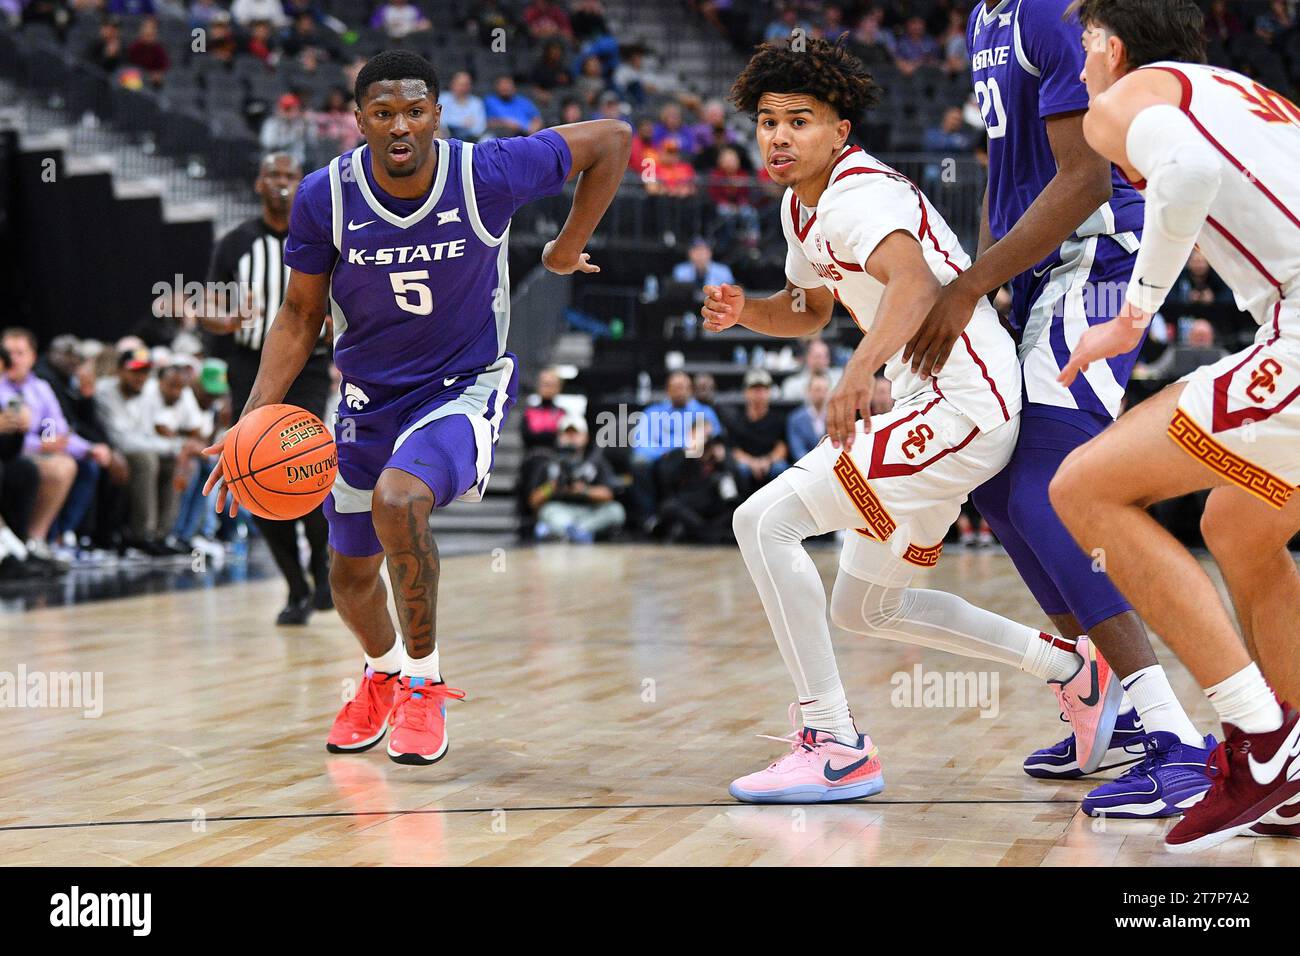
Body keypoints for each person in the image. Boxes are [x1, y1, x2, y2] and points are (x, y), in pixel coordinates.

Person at [709, 38, 1108, 806]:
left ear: (840, 130)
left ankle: (834, 743)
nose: (780, 136)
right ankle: (1074, 672)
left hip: (963, 407)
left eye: (801, 120)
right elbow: (810, 309)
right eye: (767, 122)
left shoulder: (861, 196)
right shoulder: (802, 206)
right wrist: (748, 313)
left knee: (765, 522)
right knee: (868, 605)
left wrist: (859, 372)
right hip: (938, 407)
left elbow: (917, 284)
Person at [203, 50, 629, 766]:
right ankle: (384, 672)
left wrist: (565, 247)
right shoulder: (322, 197)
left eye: (414, 110)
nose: (400, 125)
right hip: (368, 399)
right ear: (359, 119)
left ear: (436, 113)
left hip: (465, 385)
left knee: (399, 503)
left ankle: (426, 686)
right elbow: (299, 314)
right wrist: (251, 417)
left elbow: (611, 139)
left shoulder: (484, 171)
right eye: (382, 112)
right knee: (348, 575)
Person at [902, 0, 1210, 814]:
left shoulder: (1048, 11)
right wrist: (986, 276)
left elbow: (1084, 180)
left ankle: (1175, 736)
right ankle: (1107, 704)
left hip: (1101, 256)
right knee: (997, 484)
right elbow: (1006, 172)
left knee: (1044, 483)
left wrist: (970, 284)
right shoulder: (984, 16)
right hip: (1035, 267)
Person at [1050, 0, 1300, 851]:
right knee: (1238, 524)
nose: (1079, 62)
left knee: (1082, 488)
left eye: (1085, 45)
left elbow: (1186, 174)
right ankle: (1294, 755)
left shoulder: (1122, 102)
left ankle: (1259, 742)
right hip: (1286, 322)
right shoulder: (1242, 89)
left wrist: (1131, 317)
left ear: (1113, 48)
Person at [200, 152, 334, 625]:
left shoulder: (321, 234)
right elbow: (206, 310)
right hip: (248, 365)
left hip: (311, 368)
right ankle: (296, 586)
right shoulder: (234, 243)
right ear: (259, 184)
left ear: (302, 184)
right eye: (273, 175)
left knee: (307, 467)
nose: (281, 183)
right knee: (250, 471)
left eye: (290, 176)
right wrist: (227, 318)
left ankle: (320, 562)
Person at [0, 328, 111, 558]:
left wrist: (89, 448)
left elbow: (54, 429)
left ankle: (36, 539)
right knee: (44, 466)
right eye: (8, 353)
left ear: (32, 356)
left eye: (20, 353)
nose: (13, 359)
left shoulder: (39, 388)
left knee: (66, 464)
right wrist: (38, 444)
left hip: (25, 449)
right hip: (12, 452)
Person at [526, 413, 625, 542]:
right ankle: (577, 532)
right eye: (567, 433)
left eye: (576, 433)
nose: (571, 438)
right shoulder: (549, 463)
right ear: (559, 436)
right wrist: (552, 487)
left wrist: (583, 490)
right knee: (547, 511)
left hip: (590, 512)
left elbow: (608, 494)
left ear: (586, 437)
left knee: (615, 510)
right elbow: (533, 501)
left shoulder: (595, 463)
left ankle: (569, 532)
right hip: (561, 511)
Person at [722, 368, 788, 492]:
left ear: (769, 392)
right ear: (746, 392)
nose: (759, 394)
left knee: (780, 468)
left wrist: (767, 461)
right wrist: (752, 463)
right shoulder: (736, 420)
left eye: (763, 389)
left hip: (771, 463)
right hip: (747, 463)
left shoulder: (778, 419)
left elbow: (782, 447)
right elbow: (735, 450)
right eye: (755, 389)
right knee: (740, 469)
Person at [786, 368, 829, 461]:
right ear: (808, 391)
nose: (822, 395)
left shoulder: (835, 416)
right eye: (817, 390)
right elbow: (797, 450)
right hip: (805, 466)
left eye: (825, 390)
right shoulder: (795, 419)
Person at [437, 71, 487, 142]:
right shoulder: (443, 99)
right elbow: (441, 121)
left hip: (470, 139)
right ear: (452, 84)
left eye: (466, 85)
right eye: (460, 84)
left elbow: (480, 127)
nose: (463, 88)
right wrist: (463, 123)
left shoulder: (477, 102)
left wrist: (455, 123)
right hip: (447, 137)